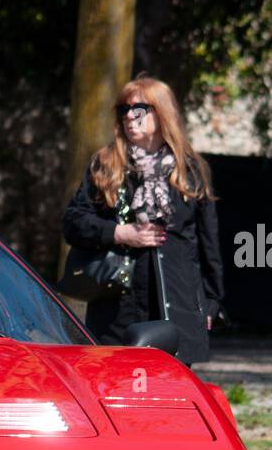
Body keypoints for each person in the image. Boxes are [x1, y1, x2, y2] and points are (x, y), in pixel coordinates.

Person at [62, 74, 225, 366]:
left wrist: (212, 301)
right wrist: (120, 233)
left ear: (162, 114)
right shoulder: (106, 164)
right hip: (119, 306)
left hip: (178, 304)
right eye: (123, 110)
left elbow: (207, 243)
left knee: (170, 393)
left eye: (138, 110)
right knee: (115, 387)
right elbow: (73, 221)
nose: (129, 118)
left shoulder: (191, 170)